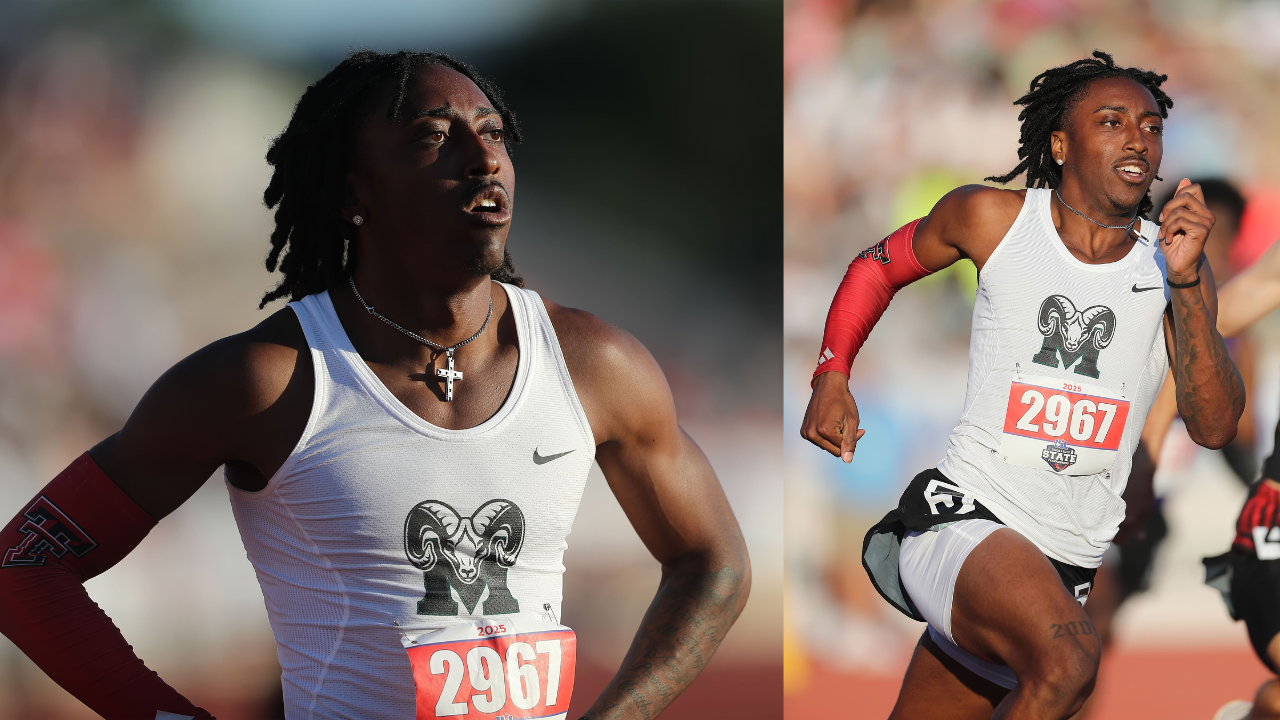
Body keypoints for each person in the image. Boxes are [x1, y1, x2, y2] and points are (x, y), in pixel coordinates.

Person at [0, 50, 750, 719]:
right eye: (433, 137)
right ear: (352, 192)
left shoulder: (594, 364)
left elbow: (712, 561)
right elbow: (25, 567)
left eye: (492, 132)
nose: (483, 159)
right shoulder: (267, 381)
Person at [801, 51, 1244, 719]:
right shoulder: (993, 219)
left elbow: (1213, 425)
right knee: (1069, 662)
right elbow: (875, 268)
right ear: (1061, 143)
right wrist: (831, 375)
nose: (1137, 138)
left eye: (1151, 126)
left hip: (1066, 565)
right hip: (963, 518)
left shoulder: (1174, 266)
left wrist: (1185, 284)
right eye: (1113, 120)